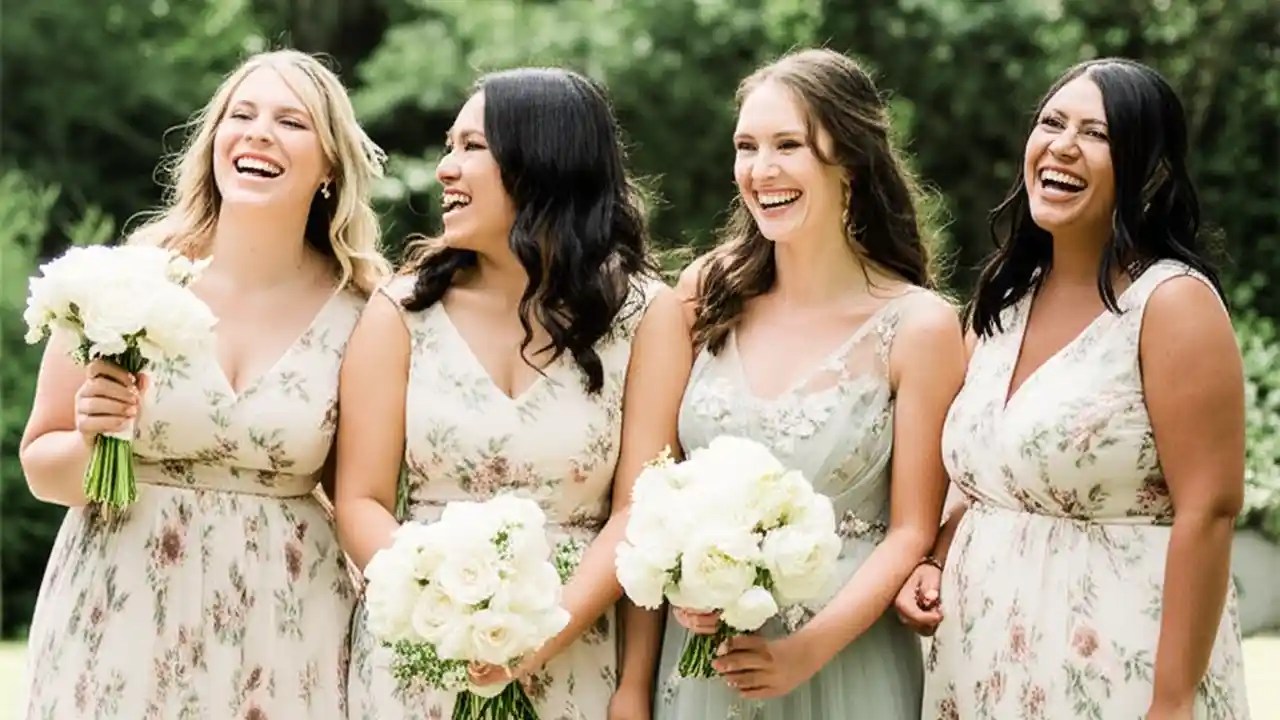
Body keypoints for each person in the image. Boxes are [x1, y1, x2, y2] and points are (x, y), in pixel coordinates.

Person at [19, 49, 389, 718]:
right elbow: (43, 470)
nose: (258, 133)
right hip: (121, 615)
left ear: (330, 165)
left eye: (291, 121)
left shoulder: (364, 313)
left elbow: (361, 496)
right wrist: (95, 437)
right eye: (240, 115)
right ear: (214, 141)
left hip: (290, 625)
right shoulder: (126, 280)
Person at [896, 58, 1251, 719]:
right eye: (1051, 122)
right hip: (981, 662)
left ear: (1151, 169)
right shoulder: (1003, 305)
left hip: (1116, 662)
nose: (1062, 144)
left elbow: (1210, 511)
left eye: (1097, 133)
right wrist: (935, 560)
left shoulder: (1171, 305)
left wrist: (1171, 702)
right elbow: (985, 481)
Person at [335, 67, 691, 720]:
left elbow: (639, 512)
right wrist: (443, 610)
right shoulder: (400, 313)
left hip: (576, 652)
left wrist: (538, 636)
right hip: (419, 656)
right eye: (450, 146)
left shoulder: (647, 317)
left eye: (472, 147)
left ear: (543, 162)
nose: (446, 168)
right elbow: (359, 500)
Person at [650, 48, 966, 719]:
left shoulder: (920, 327)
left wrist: (805, 651)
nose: (761, 171)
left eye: (787, 145)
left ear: (848, 159)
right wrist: (678, 575)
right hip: (704, 662)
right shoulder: (703, 293)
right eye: (746, 147)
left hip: (845, 659)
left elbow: (910, 531)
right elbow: (655, 480)